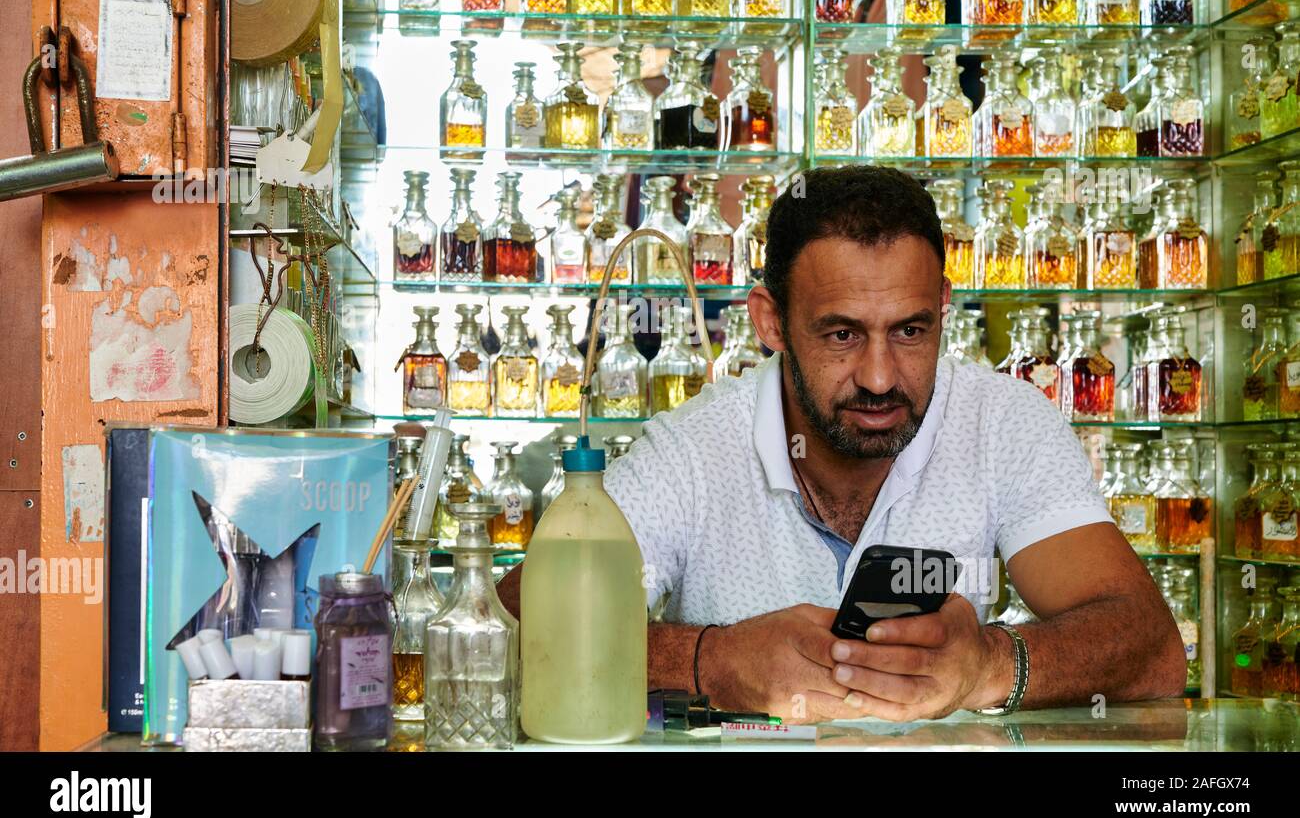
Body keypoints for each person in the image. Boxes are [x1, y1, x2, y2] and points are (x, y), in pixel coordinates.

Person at [497, 165, 1186, 723]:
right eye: (842, 335)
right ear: (770, 323)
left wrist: (986, 664)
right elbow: (510, 623)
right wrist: (714, 661)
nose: (881, 378)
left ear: (944, 307)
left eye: (911, 331)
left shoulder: (1002, 422)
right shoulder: (692, 451)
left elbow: (1153, 651)